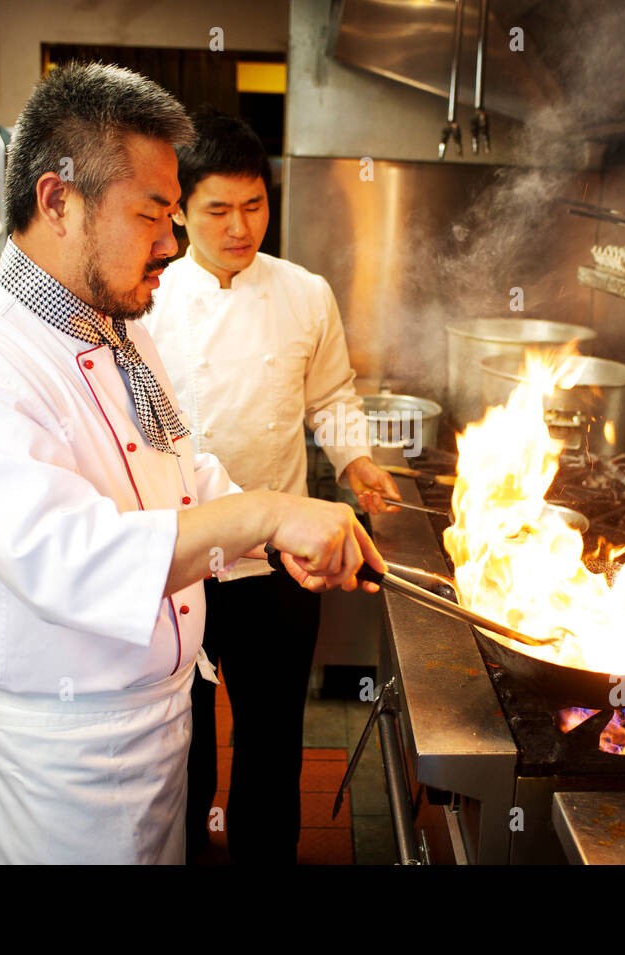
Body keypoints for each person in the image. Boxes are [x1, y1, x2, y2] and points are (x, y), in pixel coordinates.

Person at [0, 64, 382, 865]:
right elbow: (74, 560)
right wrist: (267, 514)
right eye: (154, 215)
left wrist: (279, 532)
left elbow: (185, 473)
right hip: (61, 766)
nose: (172, 243)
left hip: (151, 729)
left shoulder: (118, 328)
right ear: (59, 201)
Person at [145, 110, 400, 863]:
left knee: (271, 732)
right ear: (181, 208)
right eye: (217, 209)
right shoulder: (145, 298)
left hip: (279, 561)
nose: (238, 227)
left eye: (253, 205)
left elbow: (331, 396)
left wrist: (357, 461)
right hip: (178, 554)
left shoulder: (303, 293)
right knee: (178, 736)